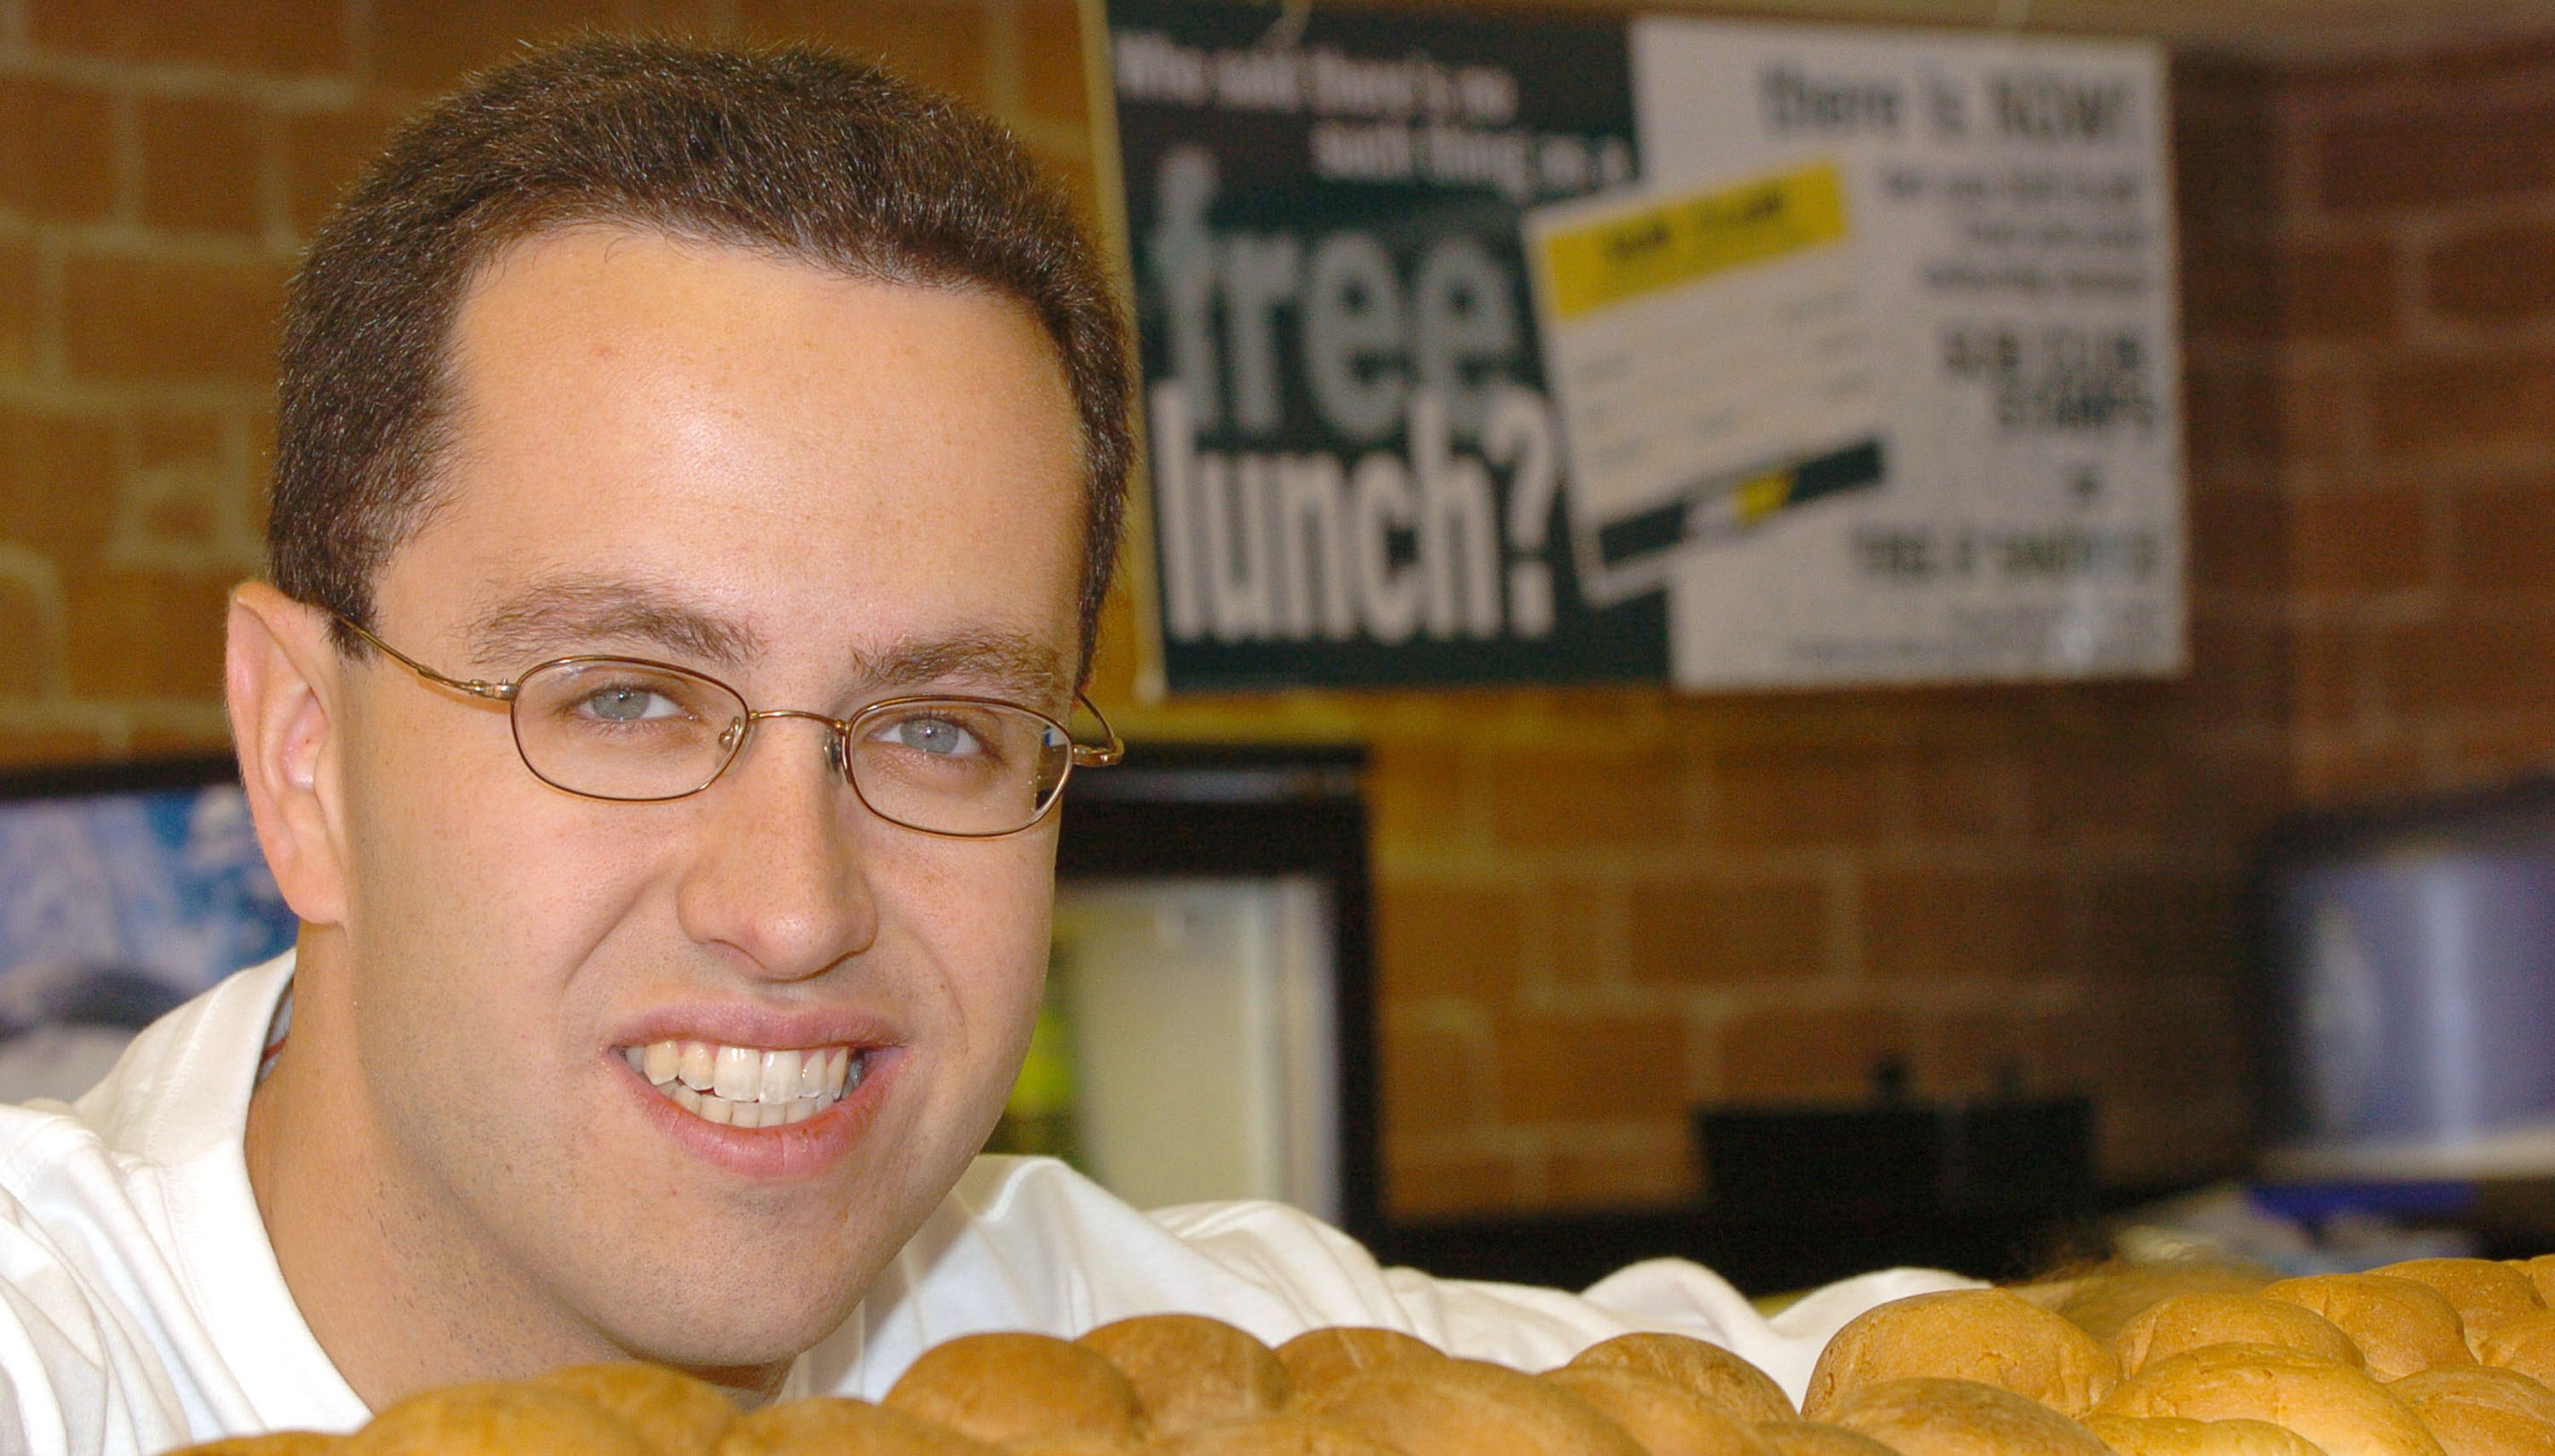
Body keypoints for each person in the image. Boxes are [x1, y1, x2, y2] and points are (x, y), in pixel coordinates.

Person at [0, 35, 1967, 1453]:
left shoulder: (1104, 1352)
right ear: (303, 758)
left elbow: (1888, 1385)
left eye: (938, 727)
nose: (794, 910)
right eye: (626, 697)